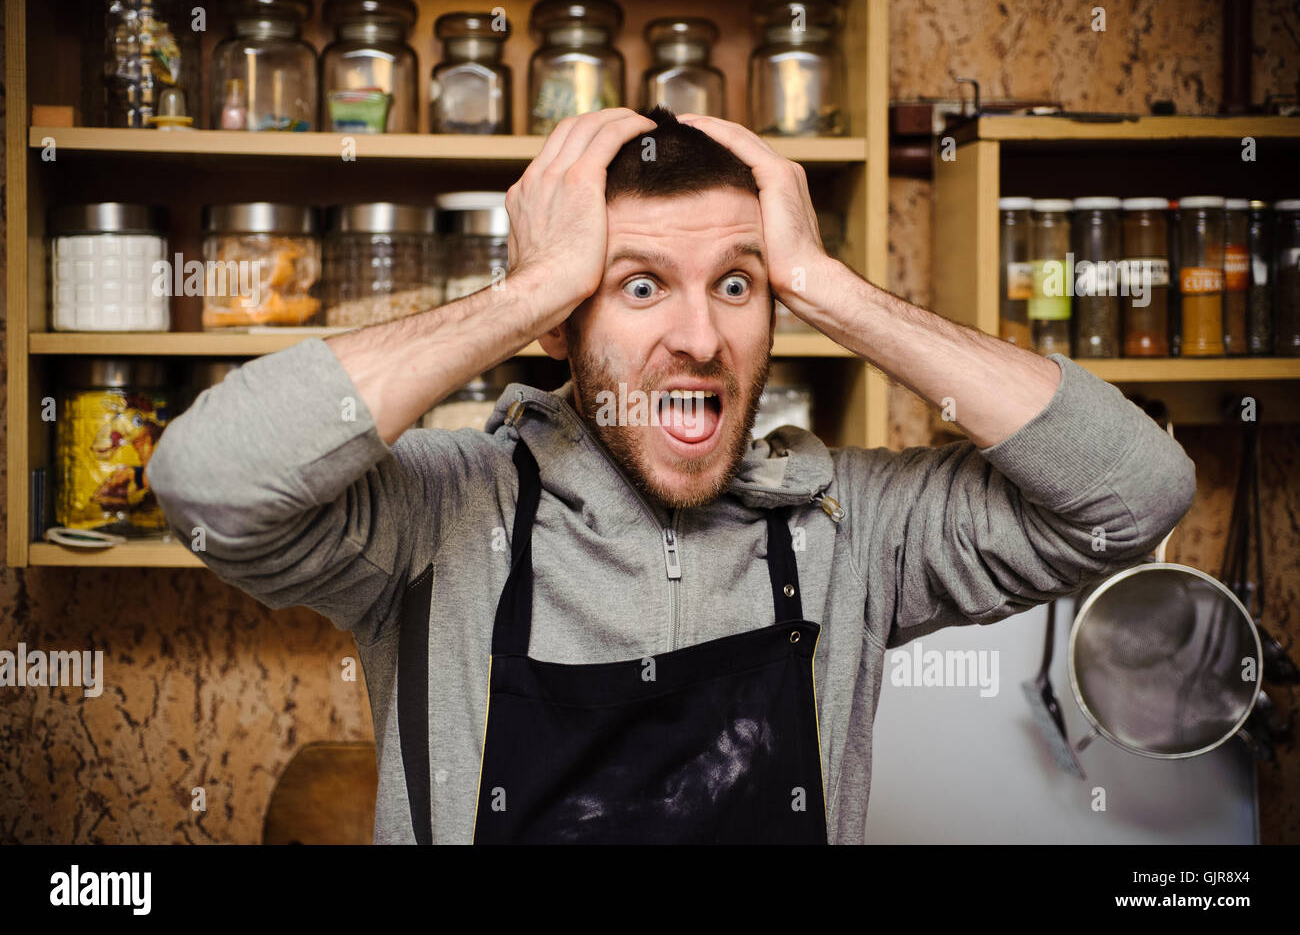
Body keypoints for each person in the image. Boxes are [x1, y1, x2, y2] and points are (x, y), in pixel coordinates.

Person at [147, 107, 1196, 844]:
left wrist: (827, 287)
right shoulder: (437, 516)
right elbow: (208, 482)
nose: (699, 336)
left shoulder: (851, 526)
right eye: (639, 285)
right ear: (564, 323)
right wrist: (532, 292)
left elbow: (1135, 494)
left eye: (736, 284)